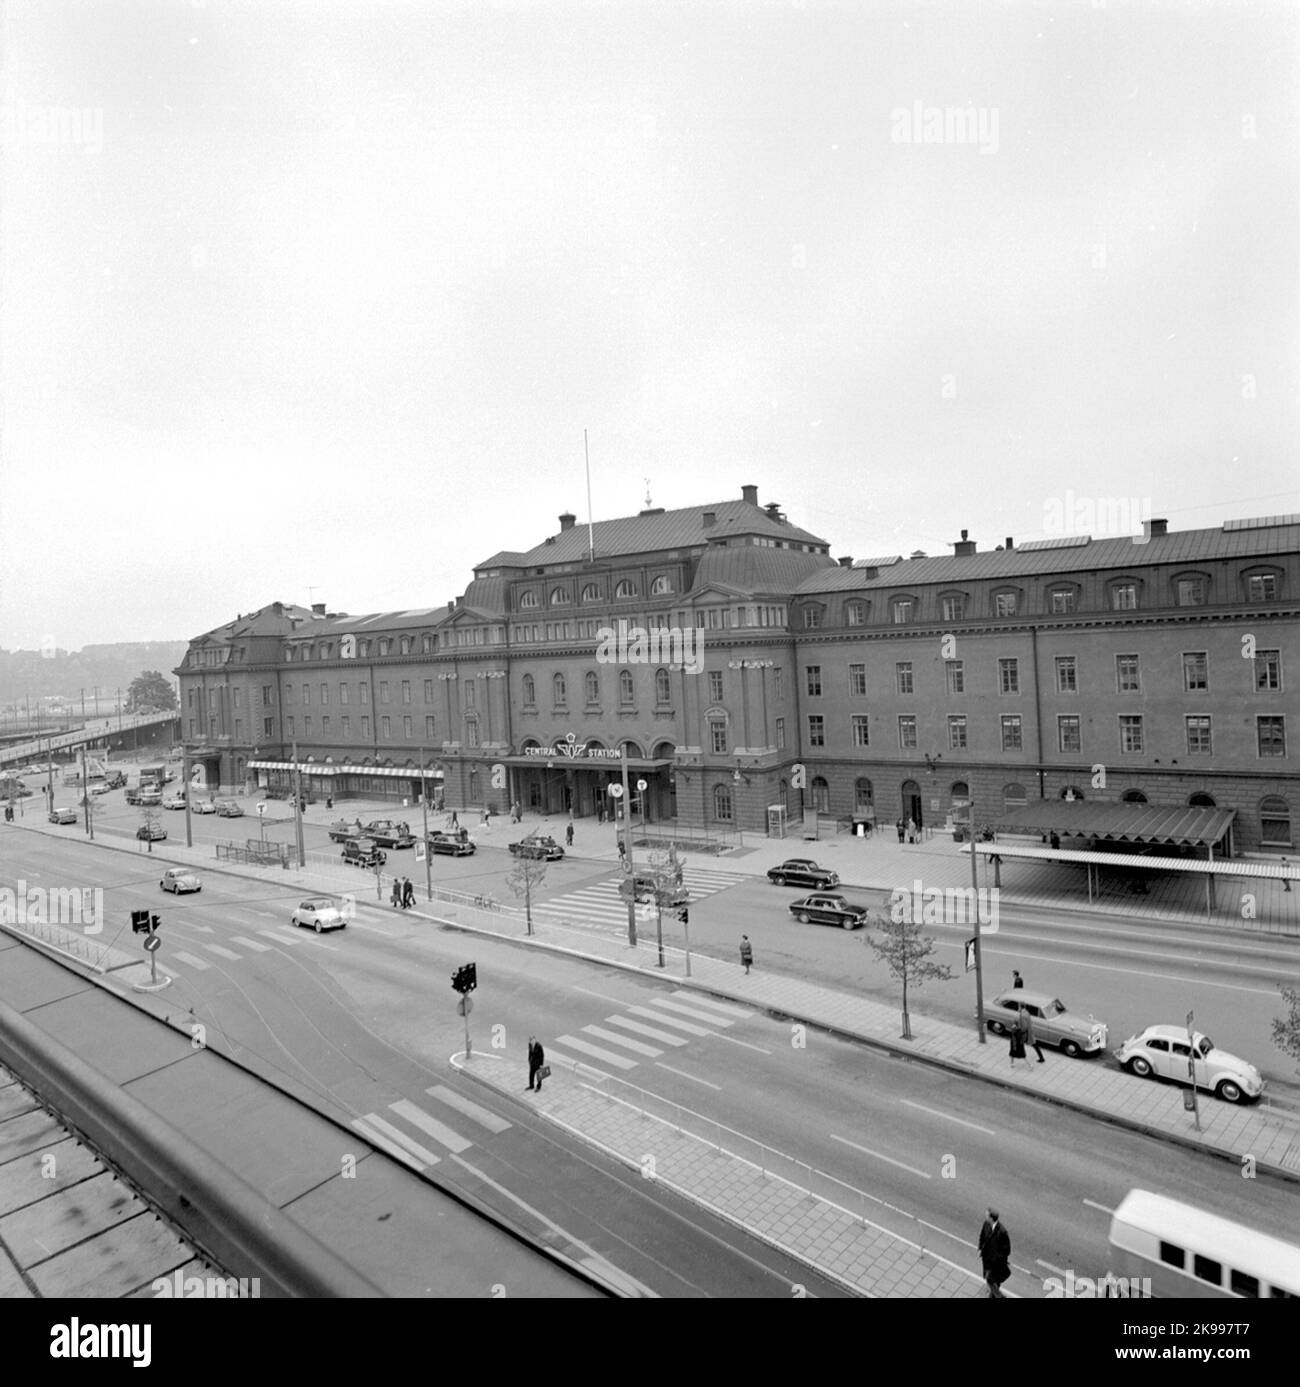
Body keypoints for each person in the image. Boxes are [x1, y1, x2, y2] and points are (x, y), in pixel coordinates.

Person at [978, 1209, 1011, 1298]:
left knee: (992, 1280)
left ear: (991, 1218)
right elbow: (982, 1236)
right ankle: (994, 1294)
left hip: (996, 1264)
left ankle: (997, 1296)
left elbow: (1007, 1250)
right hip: (987, 1260)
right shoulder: (986, 1224)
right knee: (989, 1279)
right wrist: (980, 1248)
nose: (985, 1216)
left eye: (987, 1215)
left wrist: (996, 1258)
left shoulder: (1002, 1232)